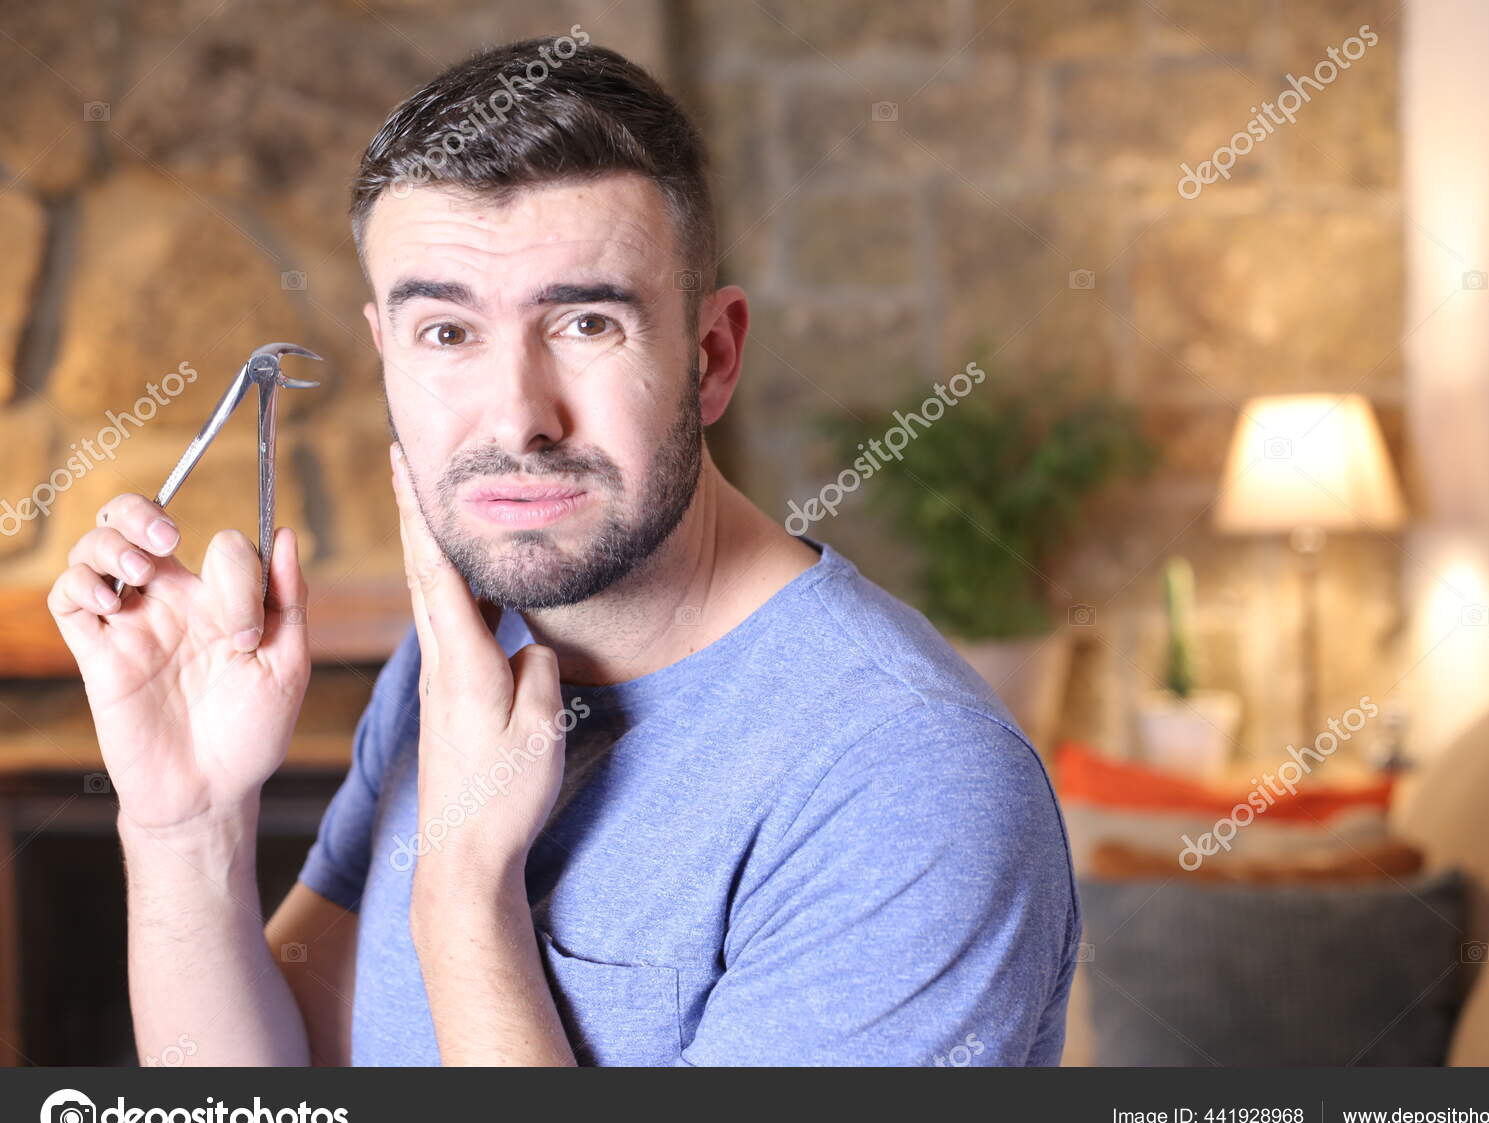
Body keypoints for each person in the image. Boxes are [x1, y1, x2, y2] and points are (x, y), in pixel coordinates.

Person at [47, 36, 1078, 1066]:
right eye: (446, 334)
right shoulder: (461, 649)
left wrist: (462, 894)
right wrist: (185, 825)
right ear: (386, 354)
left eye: (586, 323)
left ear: (710, 359)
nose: (516, 421)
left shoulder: (907, 784)